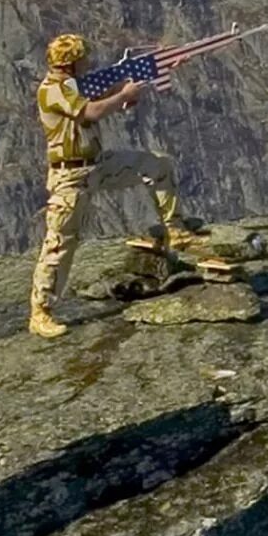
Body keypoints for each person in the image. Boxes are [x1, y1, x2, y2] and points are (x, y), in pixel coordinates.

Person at [29, 33, 197, 339]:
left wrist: (154, 72)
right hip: (70, 177)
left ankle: (175, 227)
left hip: (96, 165)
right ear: (72, 62)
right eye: (84, 58)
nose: (89, 62)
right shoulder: (52, 90)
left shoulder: (71, 86)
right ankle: (41, 311)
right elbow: (91, 111)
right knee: (60, 244)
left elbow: (106, 96)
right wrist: (123, 94)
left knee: (157, 165)